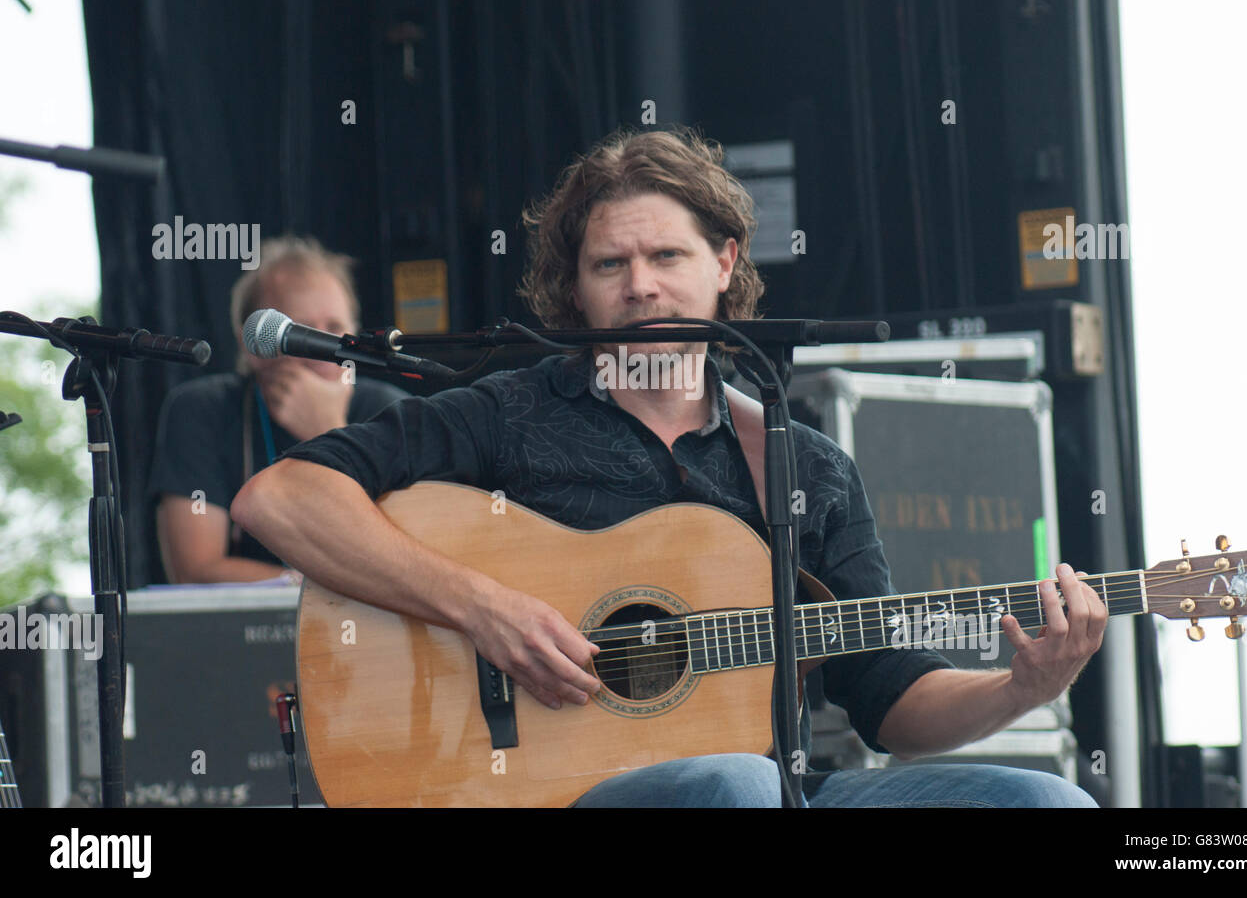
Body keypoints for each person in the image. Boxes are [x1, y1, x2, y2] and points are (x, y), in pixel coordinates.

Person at [230, 129, 1106, 806]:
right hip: (563, 791)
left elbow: (889, 703)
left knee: (1046, 798)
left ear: (725, 263)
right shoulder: (510, 411)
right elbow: (282, 497)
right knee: (733, 784)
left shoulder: (806, 468)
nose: (640, 285)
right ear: (574, 289)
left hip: (779, 791)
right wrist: (484, 607)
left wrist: (1023, 683)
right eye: (610, 263)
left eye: (667, 257)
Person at [148, 236, 409, 584]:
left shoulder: (392, 410)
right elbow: (195, 570)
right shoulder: (203, 410)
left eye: (334, 328)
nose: (325, 347)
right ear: (255, 344)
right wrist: (307, 588)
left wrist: (331, 432)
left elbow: (407, 559)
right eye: (303, 331)